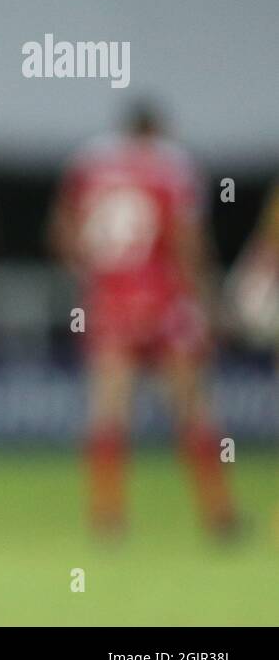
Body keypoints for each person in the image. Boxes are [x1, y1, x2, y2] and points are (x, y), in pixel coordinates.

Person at [49, 103, 237, 539]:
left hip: (110, 302)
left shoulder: (90, 169)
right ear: (158, 131)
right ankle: (218, 513)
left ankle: (107, 516)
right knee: (192, 410)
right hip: (164, 300)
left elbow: (62, 234)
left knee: (108, 412)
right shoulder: (171, 171)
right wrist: (207, 304)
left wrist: (93, 276)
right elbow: (186, 243)